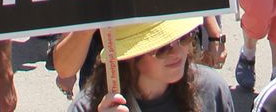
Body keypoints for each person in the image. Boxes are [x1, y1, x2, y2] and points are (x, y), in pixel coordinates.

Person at [69, 16, 231, 112]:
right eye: (162, 47)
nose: (176, 52)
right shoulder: (87, 106)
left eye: (184, 37)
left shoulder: (212, 89)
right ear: (129, 56)